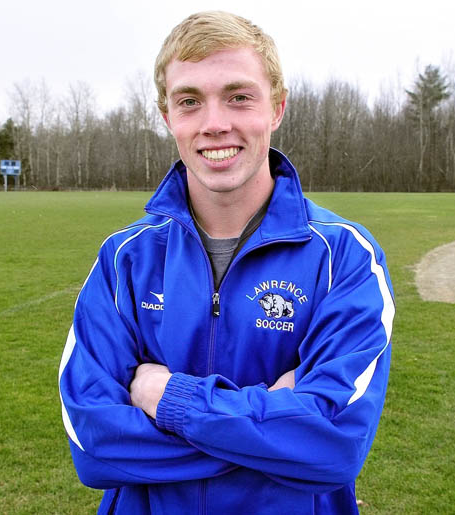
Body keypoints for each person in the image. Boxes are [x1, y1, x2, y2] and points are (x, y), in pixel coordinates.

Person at [58, 11, 395, 514]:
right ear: (167, 116)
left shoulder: (344, 257)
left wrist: (166, 396)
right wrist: (275, 426)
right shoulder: (124, 261)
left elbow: (333, 445)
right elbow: (93, 444)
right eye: (190, 101)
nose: (215, 124)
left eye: (239, 96)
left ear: (277, 108)